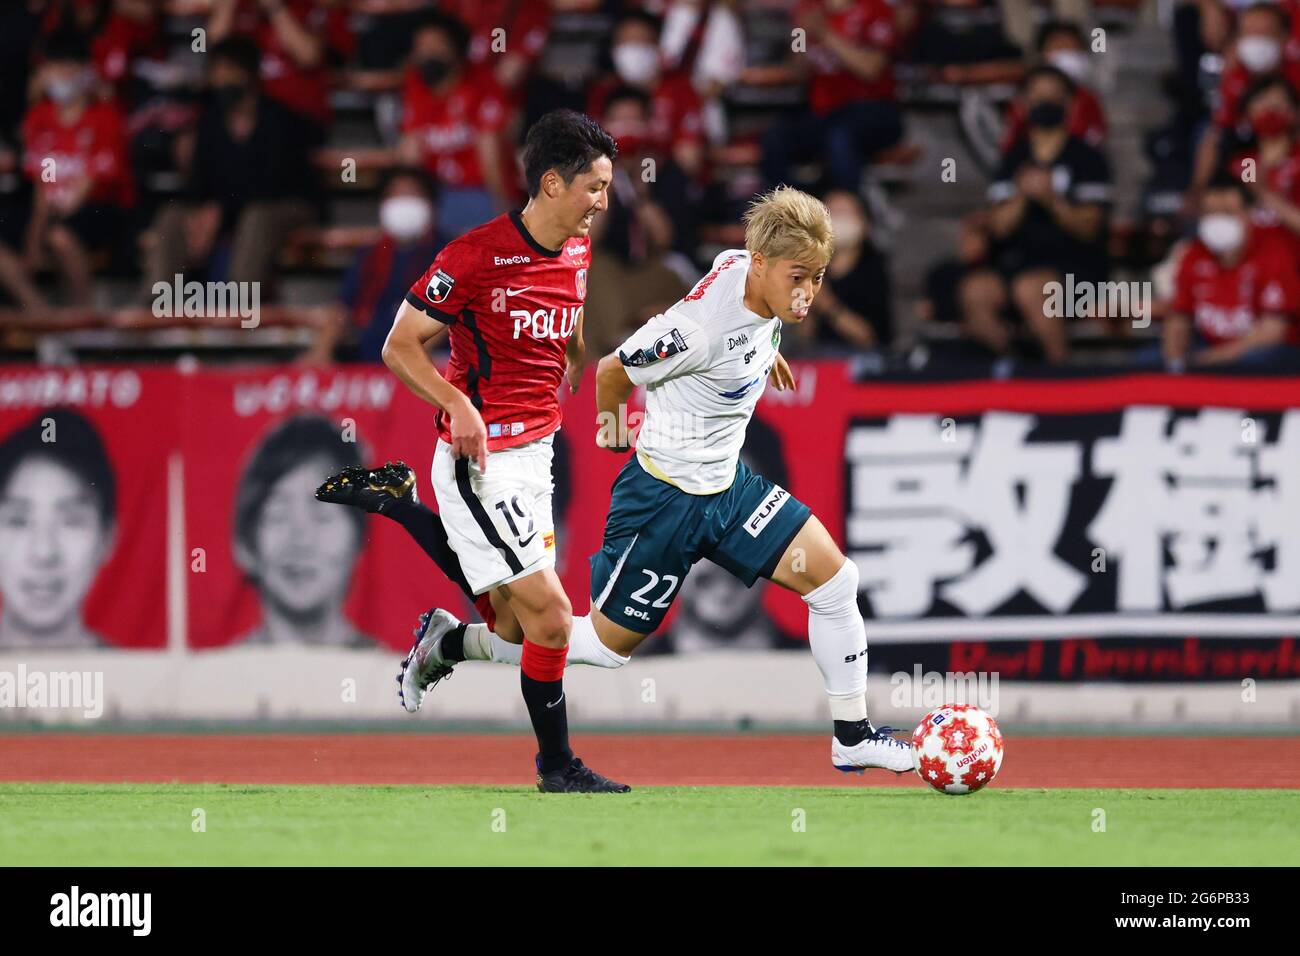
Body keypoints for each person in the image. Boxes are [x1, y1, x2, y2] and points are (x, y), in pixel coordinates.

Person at [390, 186, 913, 777]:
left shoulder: (746, 269)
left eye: (817, 277)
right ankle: (450, 642)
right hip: (663, 502)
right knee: (593, 648)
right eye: (799, 276)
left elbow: (744, 301)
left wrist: (766, 348)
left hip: (730, 490)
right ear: (763, 264)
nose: (808, 292)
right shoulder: (696, 331)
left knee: (837, 583)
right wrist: (612, 432)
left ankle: (852, 736)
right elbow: (613, 370)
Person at [376, 109, 628, 794]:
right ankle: (558, 768)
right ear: (551, 183)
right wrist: (455, 404)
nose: (603, 202)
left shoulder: (576, 247)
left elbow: (569, 301)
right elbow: (398, 346)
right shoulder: (476, 256)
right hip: (479, 462)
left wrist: (573, 351)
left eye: (607, 188)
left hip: (537, 452)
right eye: (594, 187)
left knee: (519, 633)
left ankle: (444, 639)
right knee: (552, 618)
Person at [140, 34, 317, 301]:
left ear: (249, 76)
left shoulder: (281, 121)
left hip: (288, 206)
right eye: (217, 74)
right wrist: (200, 216)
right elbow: (200, 184)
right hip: (232, 211)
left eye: (229, 73)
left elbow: (272, 186)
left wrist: (220, 210)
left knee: (256, 217)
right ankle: (156, 301)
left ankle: (239, 302)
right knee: (172, 215)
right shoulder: (209, 124)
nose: (222, 82)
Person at [986, 65, 1112, 364]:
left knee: (1031, 289)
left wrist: (1052, 200)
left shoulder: (1088, 158)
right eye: (1037, 96)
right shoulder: (1012, 158)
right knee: (975, 293)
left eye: (1053, 97)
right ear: (1024, 104)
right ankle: (1015, 369)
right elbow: (998, 228)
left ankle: (1061, 374)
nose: (1045, 103)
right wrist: (1022, 196)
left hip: (1080, 275)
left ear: (1069, 104)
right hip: (1017, 263)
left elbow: (1089, 228)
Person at [232, 414, 375, 648]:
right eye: (278, 515)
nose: (301, 540)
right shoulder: (223, 672)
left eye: (322, 516)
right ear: (246, 543)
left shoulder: (385, 671)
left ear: (358, 538)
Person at [17, 30, 133, 308]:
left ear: (87, 71)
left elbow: (91, 179)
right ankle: (40, 317)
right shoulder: (39, 118)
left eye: (69, 67)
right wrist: (36, 230)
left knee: (60, 236)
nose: (62, 75)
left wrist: (50, 226)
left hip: (99, 207)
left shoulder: (105, 117)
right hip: (56, 211)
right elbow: (44, 180)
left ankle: (84, 314)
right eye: (55, 67)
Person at [761, 0, 905, 194]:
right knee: (776, 138)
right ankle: (785, 210)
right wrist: (804, 36)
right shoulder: (808, 10)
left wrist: (825, 34)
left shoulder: (876, 9)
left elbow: (871, 69)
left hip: (873, 109)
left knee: (840, 136)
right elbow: (796, 73)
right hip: (823, 111)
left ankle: (846, 207)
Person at [0, 408, 115, 650]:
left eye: (71, 521)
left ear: (107, 538)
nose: (44, 553)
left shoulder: (138, 676)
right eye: (18, 520)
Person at [306, 166, 442, 365]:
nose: (402, 202)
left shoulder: (447, 252)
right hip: (372, 359)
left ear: (429, 204)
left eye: (410, 193)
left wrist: (414, 358)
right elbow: (342, 308)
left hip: (428, 363)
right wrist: (321, 351)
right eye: (395, 194)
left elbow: (451, 315)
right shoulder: (370, 253)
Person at [397, 11, 513, 241]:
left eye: (436, 45)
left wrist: (502, 206)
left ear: (455, 49)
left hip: (476, 190)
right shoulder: (416, 83)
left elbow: (489, 153)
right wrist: (408, 193)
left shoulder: (481, 83)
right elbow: (411, 146)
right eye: (422, 47)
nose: (428, 53)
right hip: (435, 191)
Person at [1162, 176, 1300, 368]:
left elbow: (1272, 332)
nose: (1218, 222)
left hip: (1266, 352)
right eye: (1211, 213)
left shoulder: (1273, 251)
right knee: (1146, 361)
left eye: (1227, 213)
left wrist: (1211, 359)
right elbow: (1178, 318)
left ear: (1249, 213)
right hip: (1209, 346)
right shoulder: (1195, 252)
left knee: (1257, 359)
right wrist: (1174, 363)